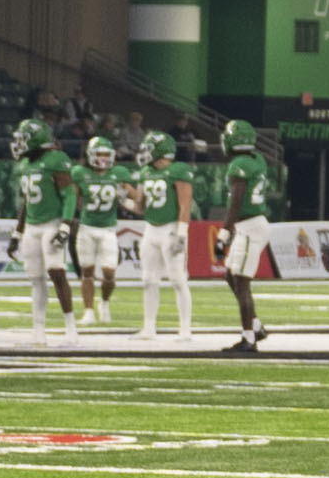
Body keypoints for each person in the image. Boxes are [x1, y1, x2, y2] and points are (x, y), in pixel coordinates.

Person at [209, 118, 280, 353]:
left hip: (249, 226)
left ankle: (249, 338)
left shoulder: (238, 165)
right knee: (231, 275)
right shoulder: (256, 159)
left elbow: (236, 202)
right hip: (252, 225)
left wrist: (223, 235)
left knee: (241, 282)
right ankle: (256, 326)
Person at [11, 120, 79, 334]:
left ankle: (71, 327)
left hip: (53, 222)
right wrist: (17, 233)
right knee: (36, 278)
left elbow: (69, 195)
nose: (19, 143)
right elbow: (26, 202)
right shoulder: (24, 164)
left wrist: (65, 226)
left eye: (24, 139)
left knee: (57, 272)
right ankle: (38, 329)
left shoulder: (55, 160)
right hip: (32, 226)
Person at [130, 128, 196, 339]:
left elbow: (185, 205)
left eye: (149, 148)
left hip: (170, 230)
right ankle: (149, 328)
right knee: (149, 280)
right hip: (151, 229)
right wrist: (123, 197)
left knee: (178, 280)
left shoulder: (178, 170)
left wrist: (181, 233)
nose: (145, 152)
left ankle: (185, 329)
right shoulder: (146, 172)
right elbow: (140, 208)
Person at [71, 135, 128, 331]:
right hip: (86, 228)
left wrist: (126, 198)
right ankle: (88, 311)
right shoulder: (80, 173)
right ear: (90, 155)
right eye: (99, 154)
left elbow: (133, 196)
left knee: (109, 273)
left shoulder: (118, 173)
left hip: (108, 229)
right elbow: (73, 199)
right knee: (87, 271)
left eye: (106, 154)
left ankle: (104, 302)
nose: (103, 158)